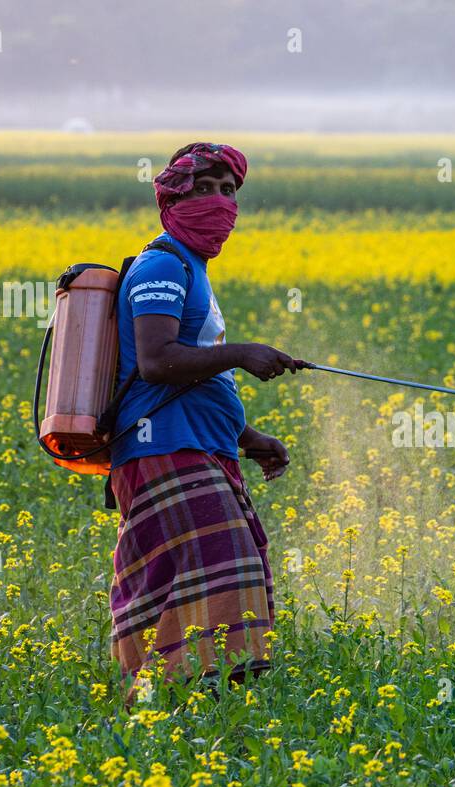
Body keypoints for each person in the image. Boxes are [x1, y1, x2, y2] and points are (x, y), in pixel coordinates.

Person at [108, 142, 303, 700]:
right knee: (225, 565)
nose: (220, 202)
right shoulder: (162, 265)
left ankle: (186, 705)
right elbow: (157, 360)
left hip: (196, 444)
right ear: (172, 198)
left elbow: (199, 380)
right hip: (162, 448)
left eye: (229, 191)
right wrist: (242, 352)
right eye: (204, 189)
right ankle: (175, 694)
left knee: (194, 577)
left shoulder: (191, 269)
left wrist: (247, 438)